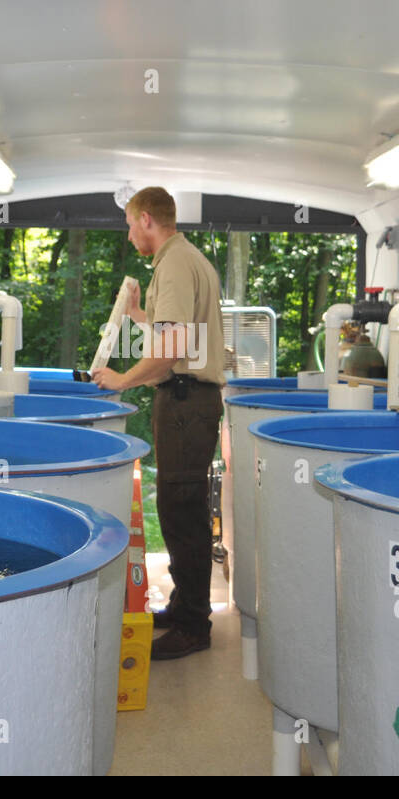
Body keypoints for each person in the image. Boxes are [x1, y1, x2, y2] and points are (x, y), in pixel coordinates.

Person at [92, 187, 226, 659]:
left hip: (187, 403)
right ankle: (184, 606)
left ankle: (194, 626)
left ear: (147, 219)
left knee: (181, 512)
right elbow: (179, 334)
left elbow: (170, 353)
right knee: (179, 509)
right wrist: (136, 315)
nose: (129, 235)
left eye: (130, 224)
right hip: (191, 401)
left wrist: (122, 380)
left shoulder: (172, 265)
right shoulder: (187, 258)